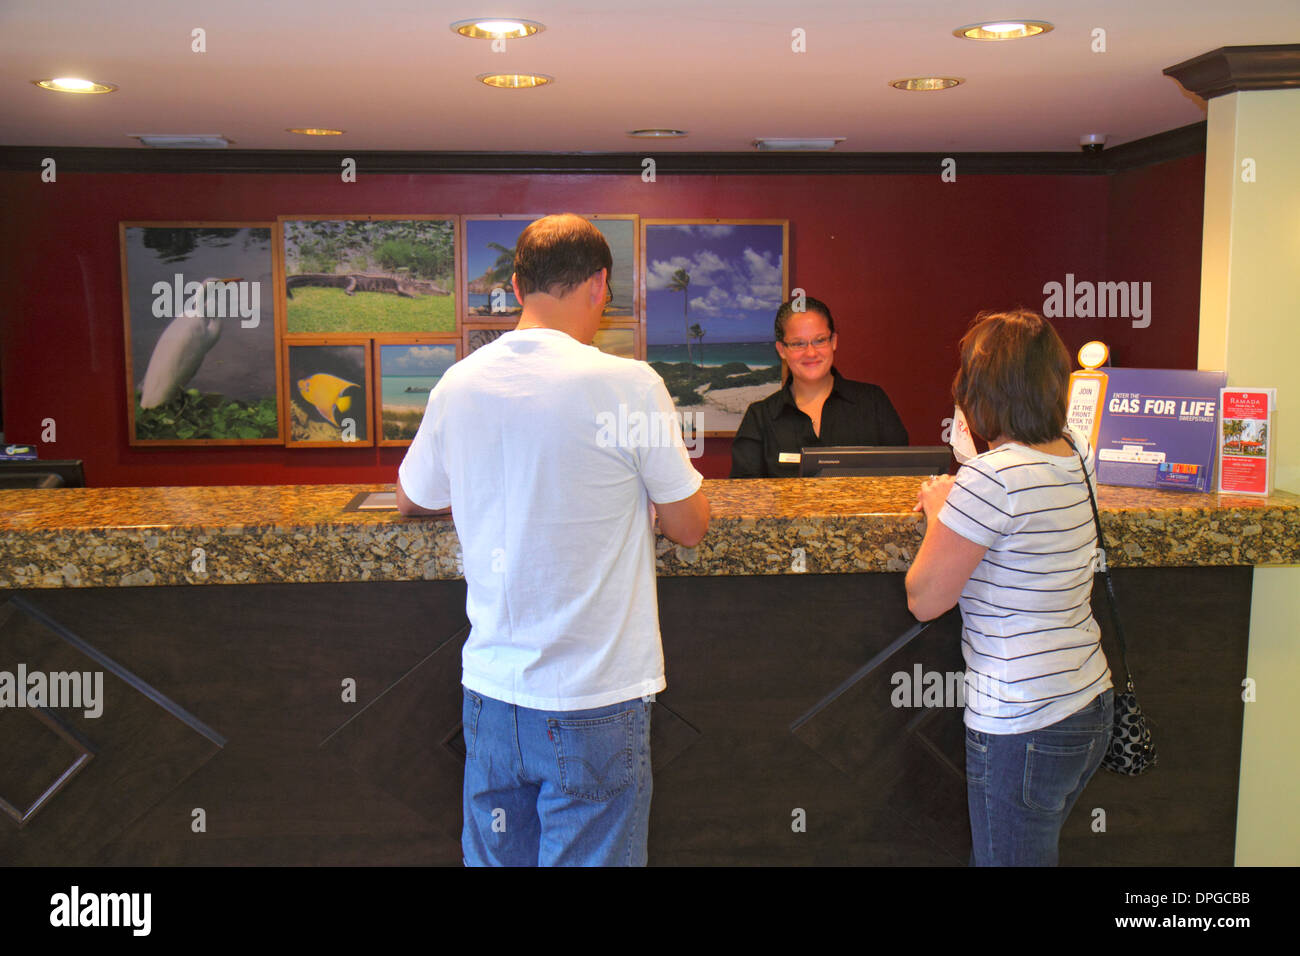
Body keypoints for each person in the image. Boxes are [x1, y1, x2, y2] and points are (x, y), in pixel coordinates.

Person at [396, 213, 709, 866]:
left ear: (515, 286)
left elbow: (414, 497)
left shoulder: (459, 383)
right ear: (600, 285)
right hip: (595, 697)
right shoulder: (630, 385)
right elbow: (689, 526)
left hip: (490, 694)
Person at [904, 309, 1112, 867]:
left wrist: (942, 510)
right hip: (1089, 700)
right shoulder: (1076, 453)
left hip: (1023, 722)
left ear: (977, 388)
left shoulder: (990, 479)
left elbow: (925, 598)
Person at [729, 296, 907, 477]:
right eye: (798, 343)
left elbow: (904, 480)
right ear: (782, 350)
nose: (811, 353)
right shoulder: (759, 418)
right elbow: (745, 498)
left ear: (834, 341)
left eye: (820, 340)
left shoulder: (873, 403)